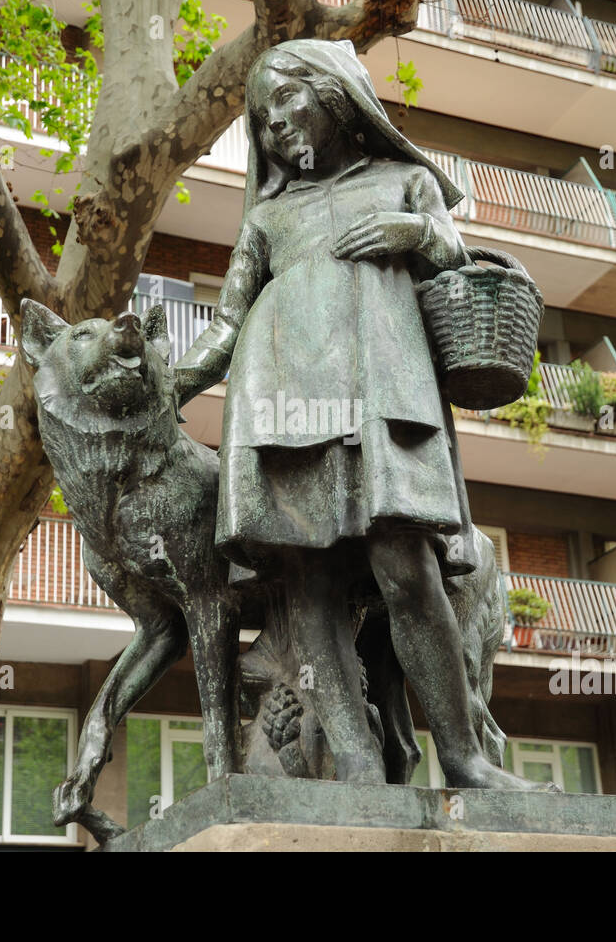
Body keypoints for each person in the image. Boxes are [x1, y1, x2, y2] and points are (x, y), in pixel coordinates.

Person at [175, 39, 529, 789]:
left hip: (382, 397)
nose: (276, 129)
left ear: (334, 94)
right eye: (262, 121)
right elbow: (226, 324)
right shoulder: (270, 218)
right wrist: (166, 387)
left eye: (285, 105)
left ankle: (463, 758)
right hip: (281, 401)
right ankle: (360, 766)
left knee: (406, 568)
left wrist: (418, 234)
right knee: (311, 589)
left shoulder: (405, 182)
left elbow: (461, 262)